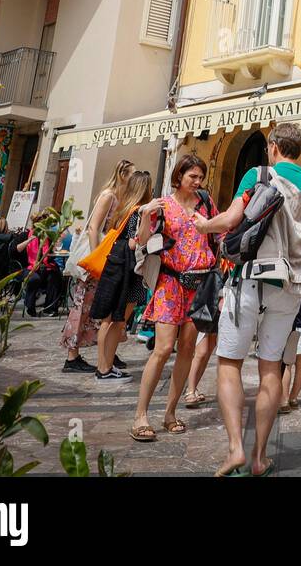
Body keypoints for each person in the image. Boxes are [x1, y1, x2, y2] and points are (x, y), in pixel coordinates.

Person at [193, 123, 301, 477]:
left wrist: (203, 226)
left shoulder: (258, 174)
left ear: (274, 147)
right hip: (290, 289)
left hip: (250, 281)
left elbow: (234, 218)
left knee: (229, 364)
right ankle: (258, 457)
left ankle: (236, 448)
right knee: (271, 370)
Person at [129, 155, 217, 441]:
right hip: (170, 283)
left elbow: (218, 230)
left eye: (200, 177)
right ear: (178, 177)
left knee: (187, 349)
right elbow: (140, 241)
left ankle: (170, 412)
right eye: (193, 176)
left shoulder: (206, 202)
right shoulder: (163, 206)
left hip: (200, 284)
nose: (198, 182)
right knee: (163, 348)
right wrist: (144, 216)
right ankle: (141, 414)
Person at [62, 159, 135, 374]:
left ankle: (105, 352)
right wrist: (97, 257)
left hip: (108, 257)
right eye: (131, 175)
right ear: (122, 174)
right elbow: (94, 227)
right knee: (82, 306)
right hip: (98, 259)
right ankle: (72, 355)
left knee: (100, 309)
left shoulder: (119, 197)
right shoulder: (108, 196)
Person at [90, 170, 154, 381]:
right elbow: (138, 240)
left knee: (109, 320)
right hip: (128, 268)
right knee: (118, 321)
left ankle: (104, 365)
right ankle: (104, 368)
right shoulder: (138, 211)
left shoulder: (122, 210)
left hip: (115, 265)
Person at [18, 225, 63, 317]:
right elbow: (15, 250)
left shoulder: (48, 236)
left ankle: (50, 308)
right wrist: (29, 240)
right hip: (28, 267)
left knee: (55, 276)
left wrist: (56, 243)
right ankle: (30, 307)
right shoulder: (25, 235)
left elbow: (51, 254)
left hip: (46, 267)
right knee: (34, 278)